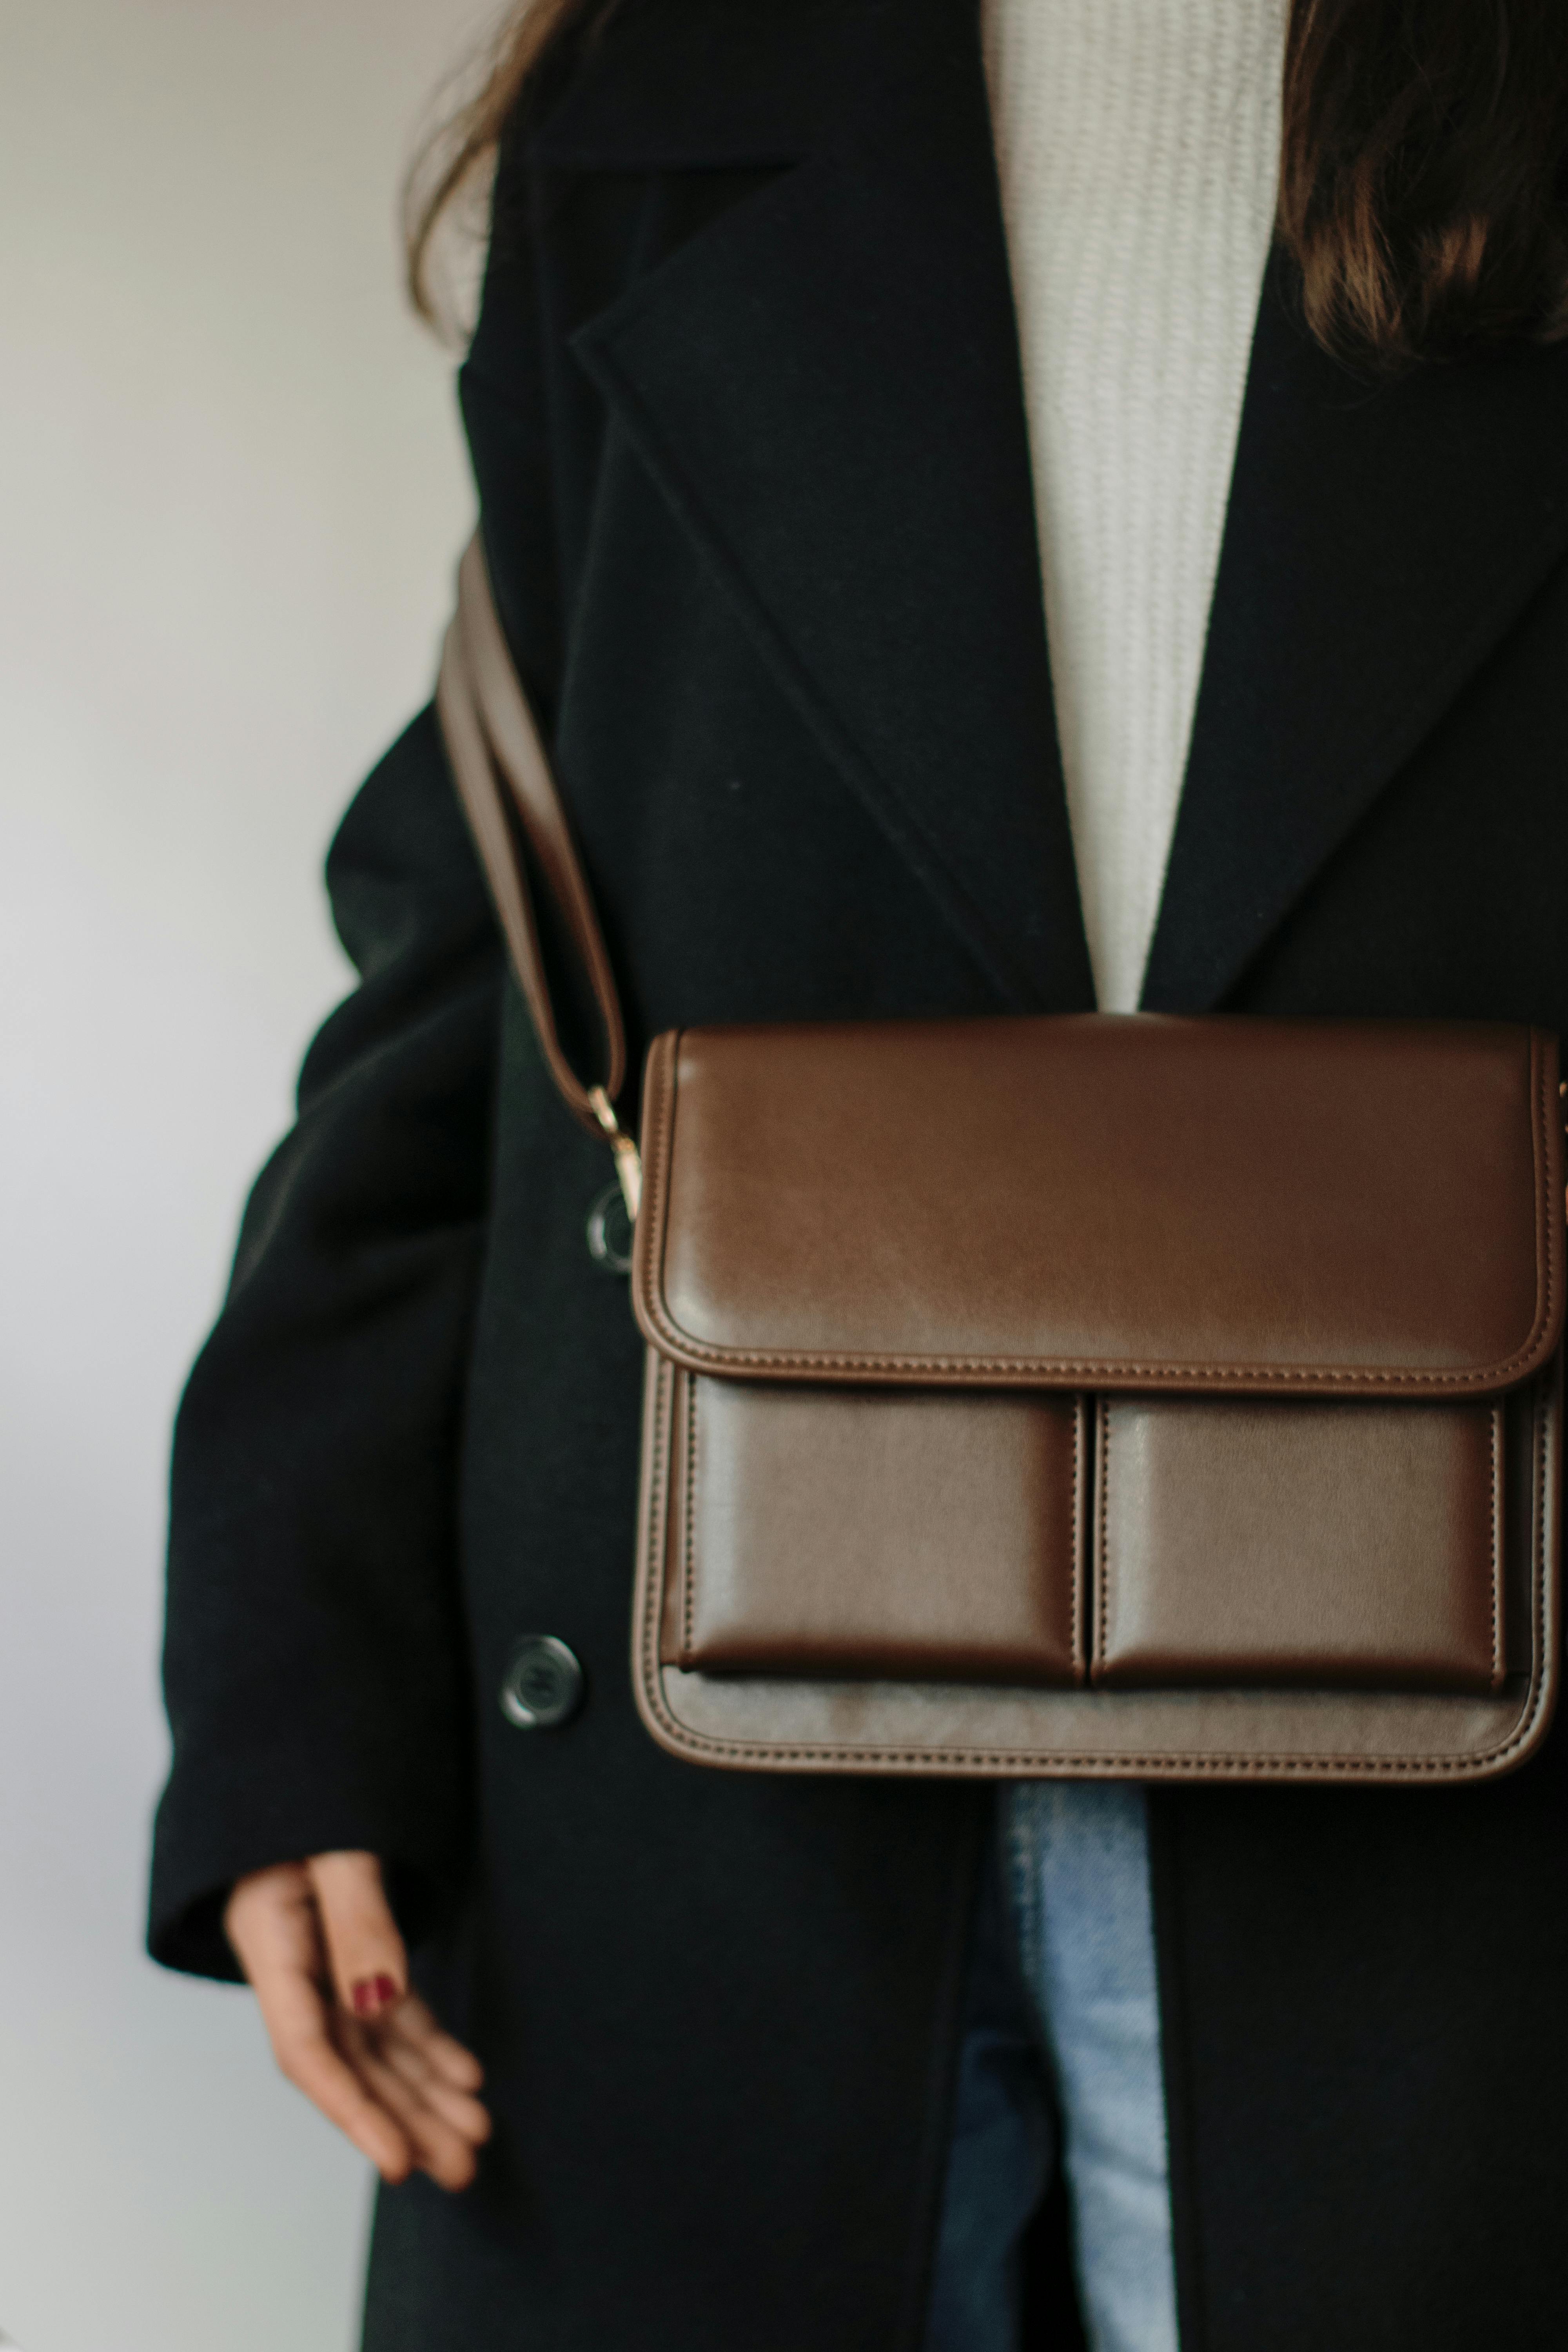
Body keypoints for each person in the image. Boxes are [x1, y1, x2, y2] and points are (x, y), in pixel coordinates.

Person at [149, 2, 1568, 2346]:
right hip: (679, 1734)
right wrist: (298, 1680)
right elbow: (484, 939)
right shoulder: (671, 81)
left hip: (1470, 1771)